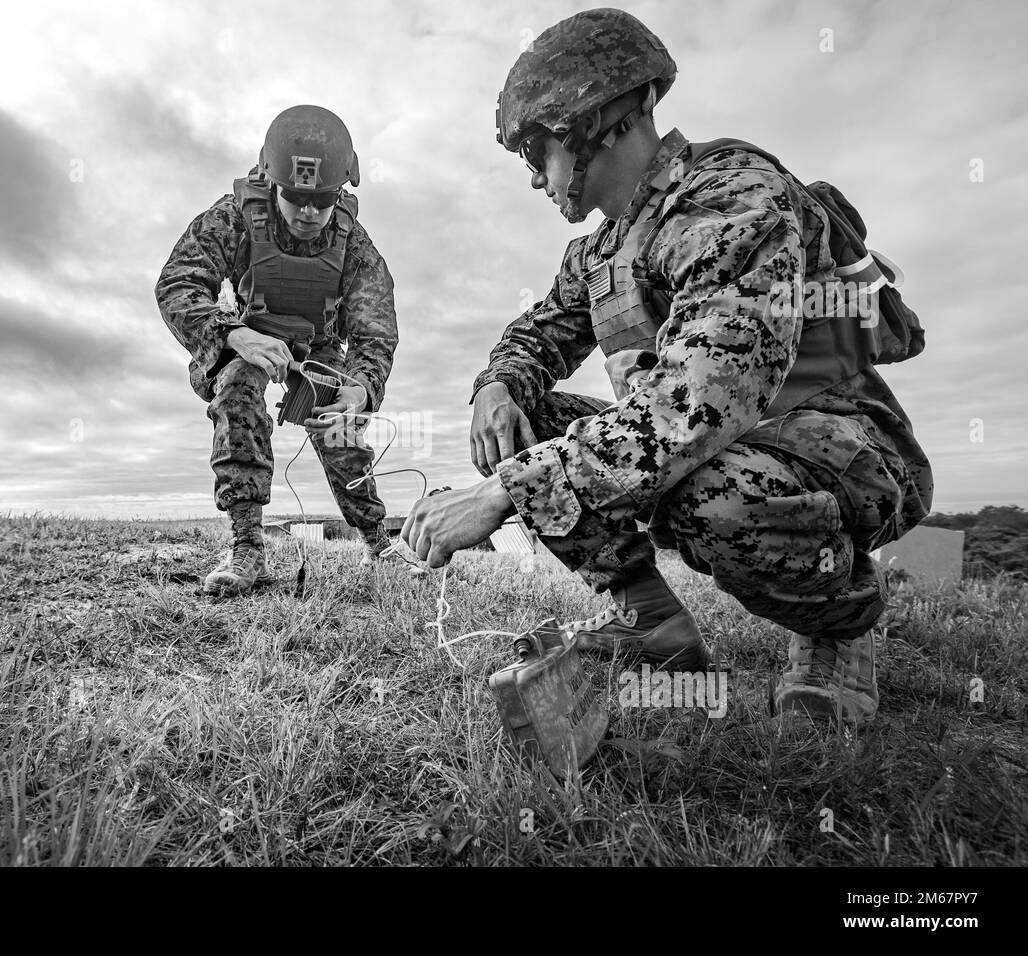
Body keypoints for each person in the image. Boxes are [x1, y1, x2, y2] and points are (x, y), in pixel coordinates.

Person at [401, 8, 932, 724]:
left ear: (592, 123)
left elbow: (696, 406)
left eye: (535, 153)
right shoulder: (601, 251)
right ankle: (651, 623)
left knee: (713, 499)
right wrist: (498, 385)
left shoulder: (735, 199)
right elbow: (537, 334)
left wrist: (502, 493)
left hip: (835, 453)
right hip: (709, 448)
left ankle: (840, 624)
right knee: (526, 423)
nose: (532, 179)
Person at [157, 105, 405, 595]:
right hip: (248, 335)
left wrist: (359, 392)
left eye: (323, 199)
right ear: (272, 183)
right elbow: (178, 283)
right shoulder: (233, 218)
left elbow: (375, 331)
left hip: (318, 346)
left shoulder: (352, 242)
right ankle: (246, 544)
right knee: (235, 390)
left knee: (340, 425)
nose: (309, 212)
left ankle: (379, 542)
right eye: (296, 198)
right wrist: (230, 334)